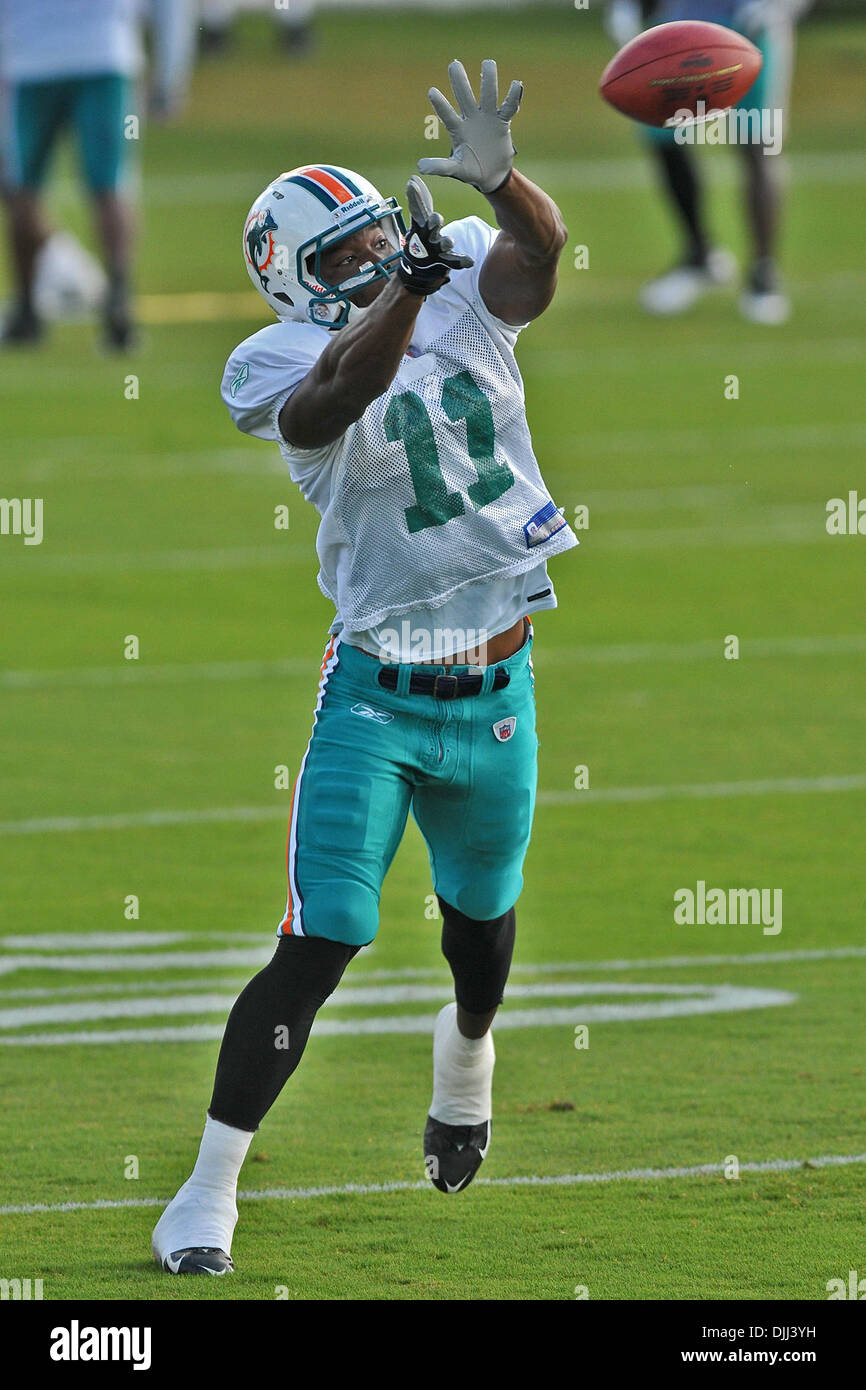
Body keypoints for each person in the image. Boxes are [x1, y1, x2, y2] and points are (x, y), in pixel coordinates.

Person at [152, 59, 577, 1276]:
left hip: (497, 682)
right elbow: (339, 395)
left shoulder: (456, 292)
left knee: (479, 936)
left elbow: (536, 263)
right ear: (289, 281)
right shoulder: (270, 360)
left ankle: (466, 1057)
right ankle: (207, 1190)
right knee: (320, 937)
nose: (373, 260)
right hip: (379, 693)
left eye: (375, 241)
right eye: (339, 259)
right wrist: (399, 290)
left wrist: (507, 189)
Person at [0, 0, 194, 348]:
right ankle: (117, 306)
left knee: (23, 187)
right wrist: (170, 73)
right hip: (102, 53)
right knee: (109, 185)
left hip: (32, 58)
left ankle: (28, 311)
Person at [605, 0, 812, 322]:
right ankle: (700, 255)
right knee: (663, 138)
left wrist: (781, 7)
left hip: (751, 31)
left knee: (758, 142)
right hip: (675, 34)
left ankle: (763, 272)